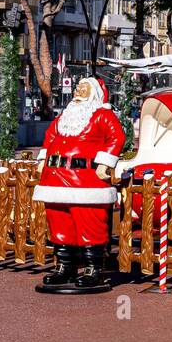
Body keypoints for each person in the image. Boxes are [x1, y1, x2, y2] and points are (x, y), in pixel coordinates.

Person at [32, 77, 125, 291]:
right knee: (59, 222)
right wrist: (42, 160)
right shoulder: (65, 116)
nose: (77, 92)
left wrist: (105, 162)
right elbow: (50, 136)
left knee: (89, 223)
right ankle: (66, 267)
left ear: (94, 93)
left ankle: (94, 269)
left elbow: (116, 137)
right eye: (77, 88)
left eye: (83, 89)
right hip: (55, 178)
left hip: (85, 181)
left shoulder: (103, 115)